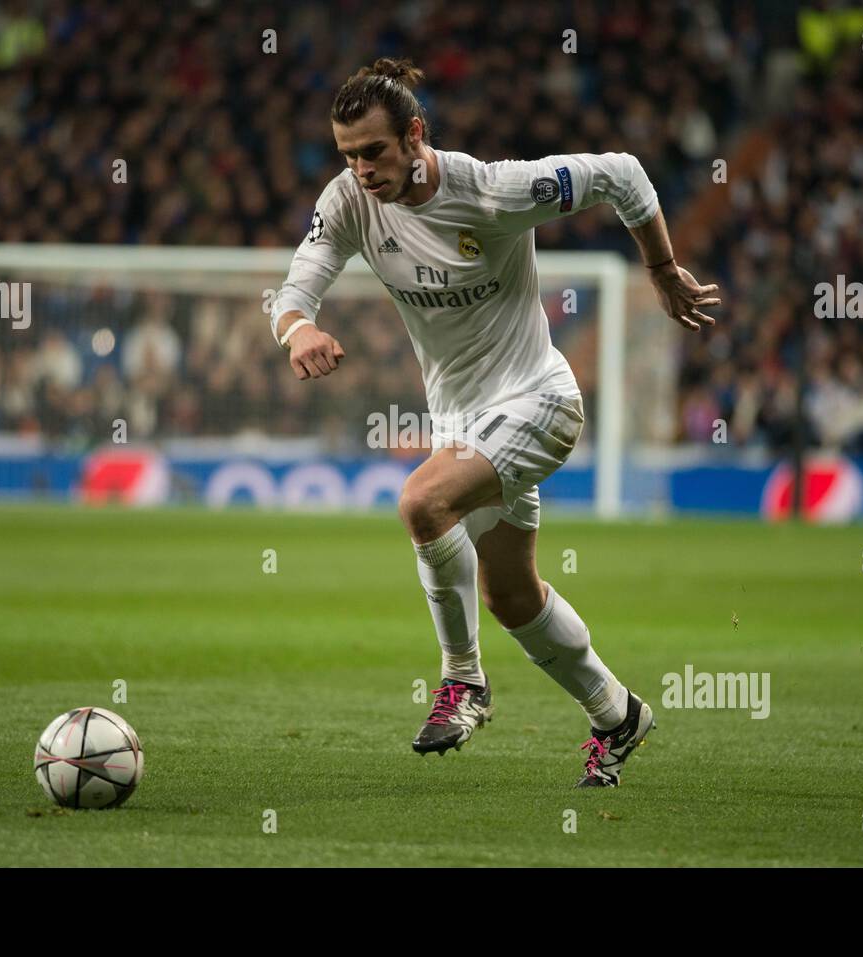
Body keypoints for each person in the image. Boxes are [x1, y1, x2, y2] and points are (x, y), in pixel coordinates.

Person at [269, 58, 720, 787]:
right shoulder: (350, 201)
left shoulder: (492, 190)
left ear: (414, 134)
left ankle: (463, 679)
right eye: (348, 154)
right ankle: (616, 712)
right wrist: (299, 331)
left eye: (374, 151)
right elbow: (297, 283)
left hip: (539, 401)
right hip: (465, 426)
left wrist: (662, 269)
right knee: (512, 595)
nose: (361, 169)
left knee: (421, 501)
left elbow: (624, 173)